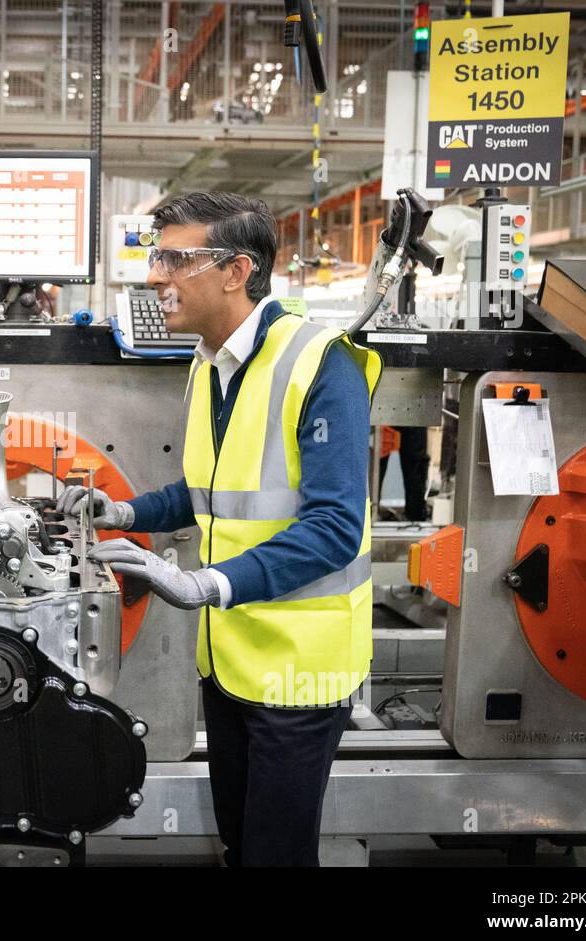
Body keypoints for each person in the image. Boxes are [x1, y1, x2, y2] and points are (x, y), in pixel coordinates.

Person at [62, 192, 381, 866]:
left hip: (300, 671)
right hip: (234, 660)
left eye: (176, 259)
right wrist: (127, 513)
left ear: (236, 271)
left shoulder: (321, 363)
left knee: (274, 855)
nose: (155, 276)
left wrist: (205, 582)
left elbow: (334, 526)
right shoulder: (212, 362)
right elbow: (209, 490)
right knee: (240, 842)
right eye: (157, 257)